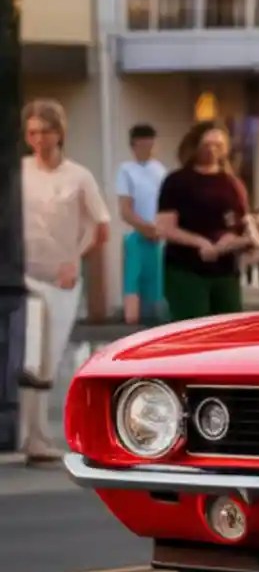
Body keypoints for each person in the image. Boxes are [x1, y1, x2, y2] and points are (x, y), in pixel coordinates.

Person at [19, 98, 111, 463]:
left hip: (60, 280)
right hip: (22, 275)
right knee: (23, 356)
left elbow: (100, 227)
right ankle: (25, 437)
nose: (39, 139)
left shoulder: (78, 176)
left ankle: (37, 438)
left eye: (45, 131)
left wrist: (75, 259)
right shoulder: (18, 172)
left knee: (46, 359)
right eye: (32, 133)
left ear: (60, 134)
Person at [155, 120, 256, 321]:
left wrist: (231, 241)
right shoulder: (176, 181)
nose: (212, 150)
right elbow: (165, 228)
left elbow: (245, 225)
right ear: (195, 146)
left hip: (226, 271)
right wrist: (200, 243)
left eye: (218, 145)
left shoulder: (232, 184)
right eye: (206, 144)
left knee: (228, 330)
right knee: (193, 328)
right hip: (186, 271)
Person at [116, 123, 168, 325]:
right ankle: (131, 325)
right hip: (135, 235)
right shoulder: (126, 170)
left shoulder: (161, 171)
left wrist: (158, 229)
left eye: (150, 142)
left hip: (159, 237)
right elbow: (125, 209)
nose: (147, 146)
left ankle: (157, 326)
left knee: (157, 285)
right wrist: (145, 228)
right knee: (133, 282)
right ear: (134, 145)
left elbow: (167, 207)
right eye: (142, 142)